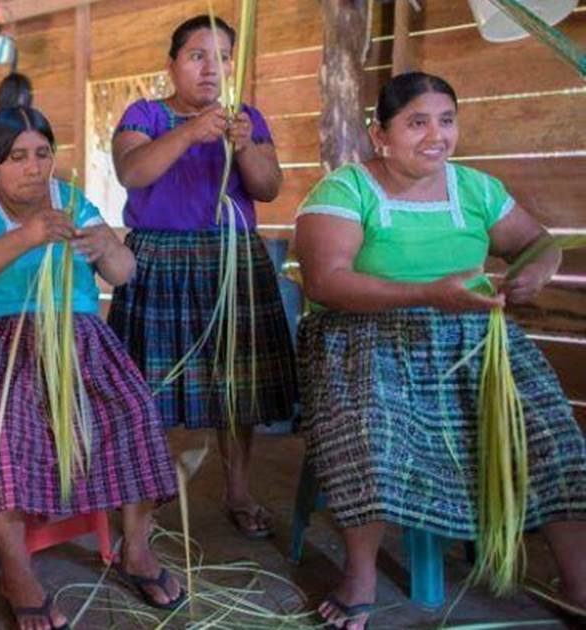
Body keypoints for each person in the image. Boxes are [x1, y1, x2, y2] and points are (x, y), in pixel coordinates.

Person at [294, 71, 586, 629]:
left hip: (474, 337)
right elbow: (326, 283)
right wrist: (430, 294)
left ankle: (577, 580)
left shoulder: (476, 189)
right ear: (380, 135)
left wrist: (533, 273)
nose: (436, 135)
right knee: (373, 433)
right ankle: (359, 574)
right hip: (365, 337)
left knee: (552, 434)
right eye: (417, 122)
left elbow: (537, 243)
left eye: (446, 120)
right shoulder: (345, 190)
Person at [0, 106, 181, 630]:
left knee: (133, 408)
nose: (32, 167)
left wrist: (106, 246)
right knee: (7, 420)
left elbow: (124, 273)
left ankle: (136, 548)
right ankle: (17, 568)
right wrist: (26, 235)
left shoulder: (71, 201)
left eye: (42, 153)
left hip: (75, 334)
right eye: (17, 156)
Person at [107, 16, 298, 539]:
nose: (211, 67)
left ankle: (238, 489)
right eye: (197, 55)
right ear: (172, 65)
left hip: (232, 258)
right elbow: (133, 172)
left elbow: (268, 188)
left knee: (236, 386)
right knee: (151, 386)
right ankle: (145, 498)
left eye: (223, 57)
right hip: (160, 262)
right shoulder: (145, 114)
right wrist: (193, 130)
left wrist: (244, 145)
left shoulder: (246, 117)